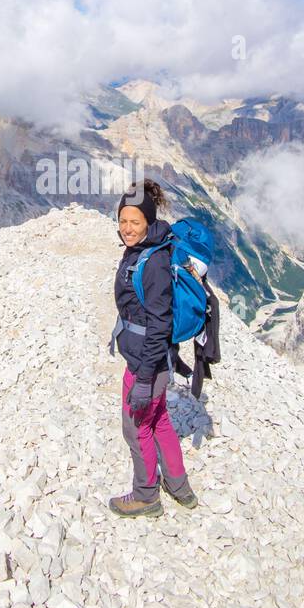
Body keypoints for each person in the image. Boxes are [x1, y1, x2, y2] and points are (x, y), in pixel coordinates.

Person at [105, 178, 199, 517]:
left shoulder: (154, 263)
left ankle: (146, 494)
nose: (127, 229)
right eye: (123, 221)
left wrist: (144, 379)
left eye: (135, 222)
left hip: (146, 363)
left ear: (148, 222)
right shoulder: (146, 250)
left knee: (137, 426)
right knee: (160, 420)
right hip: (155, 361)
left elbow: (158, 324)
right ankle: (179, 486)